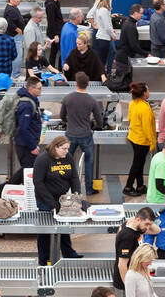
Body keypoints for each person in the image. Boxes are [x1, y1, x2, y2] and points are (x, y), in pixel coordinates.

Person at [33, 136, 82, 268]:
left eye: (67, 148)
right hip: (45, 199)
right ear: (55, 147)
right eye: (64, 148)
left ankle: (69, 253)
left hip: (62, 199)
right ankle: (44, 260)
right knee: (45, 231)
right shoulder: (43, 159)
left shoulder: (68, 157)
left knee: (63, 227)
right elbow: (38, 183)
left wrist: (77, 194)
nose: (67, 151)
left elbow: (74, 177)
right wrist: (51, 203)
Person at [60, 72, 104, 195]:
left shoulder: (68, 98)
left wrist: (69, 122)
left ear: (76, 83)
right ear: (88, 84)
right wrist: (96, 126)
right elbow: (99, 120)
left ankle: (66, 188)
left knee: (66, 162)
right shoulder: (92, 100)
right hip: (86, 135)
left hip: (70, 135)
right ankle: (89, 189)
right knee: (88, 162)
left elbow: (62, 116)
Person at [123, 82, 156, 196]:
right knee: (137, 164)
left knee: (139, 163)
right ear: (143, 93)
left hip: (133, 137)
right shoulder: (145, 109)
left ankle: (140, 186)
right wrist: (152, 142)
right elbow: (147, 128)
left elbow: (130, 118)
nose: (148, 92)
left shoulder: (133, 103)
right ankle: (128, 186)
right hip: (142, 141)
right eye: (147, 90)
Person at [12, 75, 43, 174]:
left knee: (27, 171)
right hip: (25, 145)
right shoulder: (27, 105)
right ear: (30, 89)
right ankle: (2, 188)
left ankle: (2, 188)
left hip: (27, 143)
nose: (41, 90)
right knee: (28, 171)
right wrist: (32, 146)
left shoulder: (33, 100)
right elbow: (23, 128)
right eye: (39, 88)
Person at [88, 0, 115, 69]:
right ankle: (106, 73)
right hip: (104, 37)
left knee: (100, 59)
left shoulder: (101, 9)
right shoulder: (103, 9)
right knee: (102, 59)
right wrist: (113, 35)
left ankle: (102, 74)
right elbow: (107, 27)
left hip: (101, 35)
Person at [44, 0, 64, 65]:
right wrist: (56, 35)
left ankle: (53, 70)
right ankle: (59, 70)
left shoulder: (56, 2)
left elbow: (57, 18)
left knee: (54, 52)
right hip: (55, 32)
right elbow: (51, 21)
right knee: (60, 52)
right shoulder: (50, 5)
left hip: (57, 31)